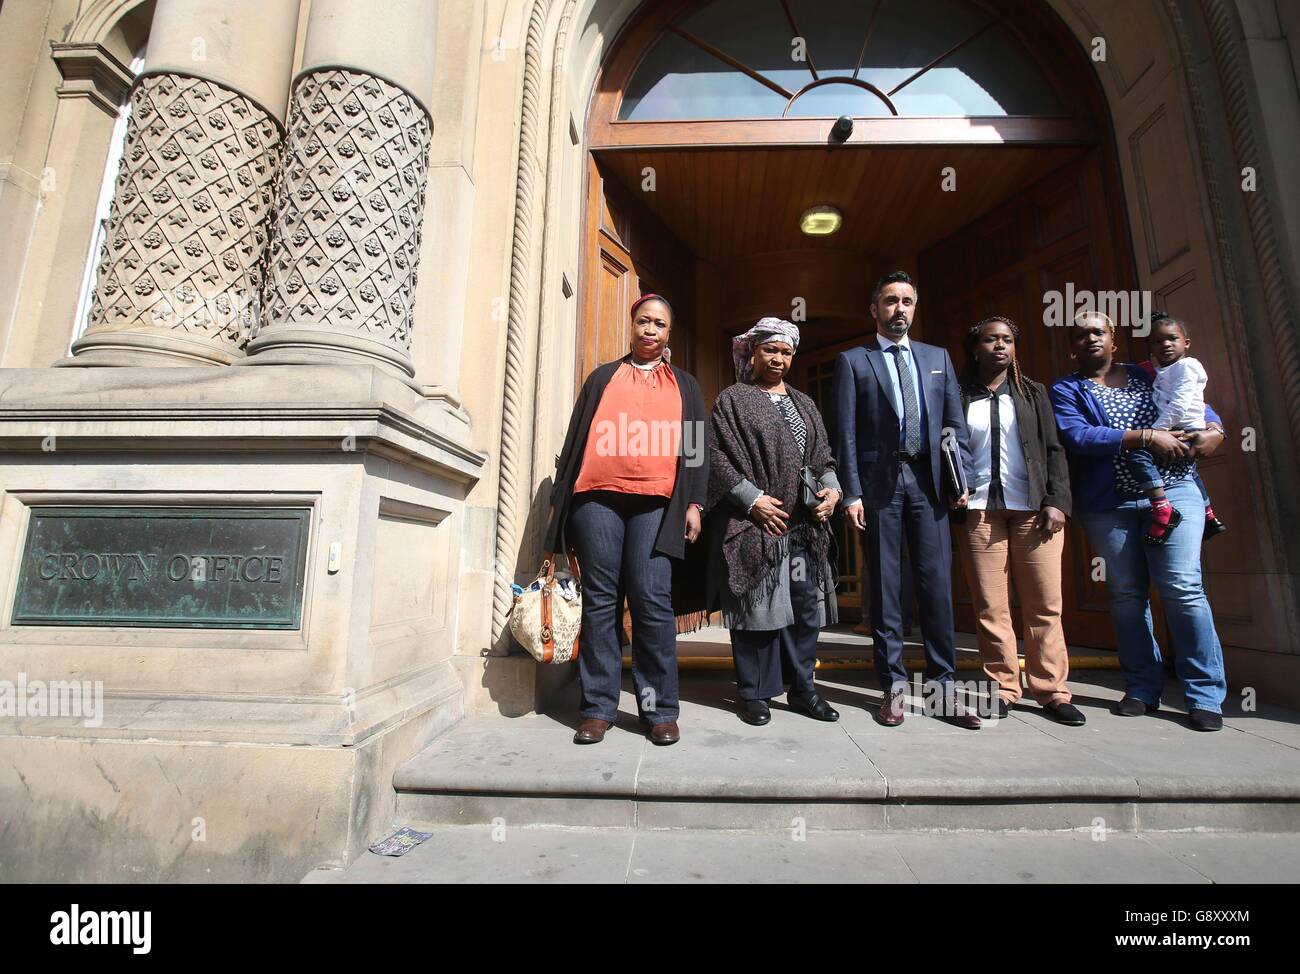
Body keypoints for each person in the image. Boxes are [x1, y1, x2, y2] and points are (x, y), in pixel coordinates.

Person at [542, 294, 709, 746]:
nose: (650, 329)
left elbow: (695, 450)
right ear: (631, 325)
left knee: (652, 599)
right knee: (601, 600)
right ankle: (597, 708)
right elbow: (577, 438)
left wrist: (693, 505)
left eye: (659, 324)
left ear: (668, 334)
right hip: (597, 500)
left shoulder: (686, 386)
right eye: (643, 321)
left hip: (657, 504)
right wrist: (560, 504)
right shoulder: (602, 378)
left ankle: (658, 711)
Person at [1050, 309, 1229, 731]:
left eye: (1099, 332)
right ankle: (1142, 688)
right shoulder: (1066, 388)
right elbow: (1078, 437)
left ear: (1114, 339)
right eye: (1081, 335)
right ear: (1072, 346)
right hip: (1109, 503)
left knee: (1183, 588)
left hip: (1176, 489)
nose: (1091, 339)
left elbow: (1197, 405)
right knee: (1128, 595)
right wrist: (1147, 436)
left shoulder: (1151, 373)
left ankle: (1204, 695)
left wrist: (1215, 431)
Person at [831, 271, 981, 729]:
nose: (900, 309)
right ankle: (892, 686)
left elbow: (955, 423)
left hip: (930, 483)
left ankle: (943, 689)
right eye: (891, 301)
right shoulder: (853, 361)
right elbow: (846, 434)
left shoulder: (937, 358)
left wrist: (964, 478)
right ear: (873, 309)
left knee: (936, 584)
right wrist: (851, 492)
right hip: (879, 485)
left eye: (908, 301)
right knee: (887, 587)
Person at [707, 318, 842, 726]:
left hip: (804, 527)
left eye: (785, 352)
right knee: (758, 610)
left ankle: (803, 689)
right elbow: (713, 457)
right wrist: (752, 501)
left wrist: (832, 492)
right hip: (757, 525)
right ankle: (755, 694)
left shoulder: (805, 403)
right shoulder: (732, 399)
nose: (779, 359)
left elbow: (823, 459)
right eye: (771, 350)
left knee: (803, 611)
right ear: (754, 352)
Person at [955, 316, 1083, 725]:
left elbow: (1054, 450)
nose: (1000, 347)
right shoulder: (956, 396)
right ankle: (1004, 688)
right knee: (992, 606)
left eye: (1007, 340)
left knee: (1044, 603)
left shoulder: (1033, 392)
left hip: (1034, 511)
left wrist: (1057, 500)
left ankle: (1052, 691)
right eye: (991, 340)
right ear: (975, 348)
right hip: (979, 511)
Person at [1123, 312, 1226, 543]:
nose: (1165, 345)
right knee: (1191, 469)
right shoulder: (1146, 372)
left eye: (1171, 338)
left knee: (1139, 456)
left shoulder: (1185, 367)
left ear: (1185, 342)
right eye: (1157, 341)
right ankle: (1209, 514)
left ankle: (1163, 510)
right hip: (1171, 436)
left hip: (1179, 433)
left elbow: (1191, 403)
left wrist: (1216, 429)